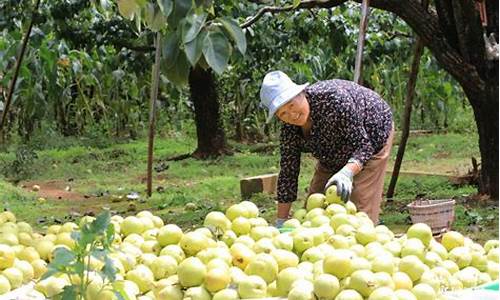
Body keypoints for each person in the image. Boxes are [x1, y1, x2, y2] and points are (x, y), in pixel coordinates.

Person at [259, 70, 394, 227]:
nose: (292, 114)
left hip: (371, 136)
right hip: (331, 153)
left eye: (292, 104)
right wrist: (281, 221)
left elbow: (363, 146)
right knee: (314, 210)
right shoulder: (289, 129)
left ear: (302, 93)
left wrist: (347, 172)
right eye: (283, 113)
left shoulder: (333, 100)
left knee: (358, 212)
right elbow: (288, 172)